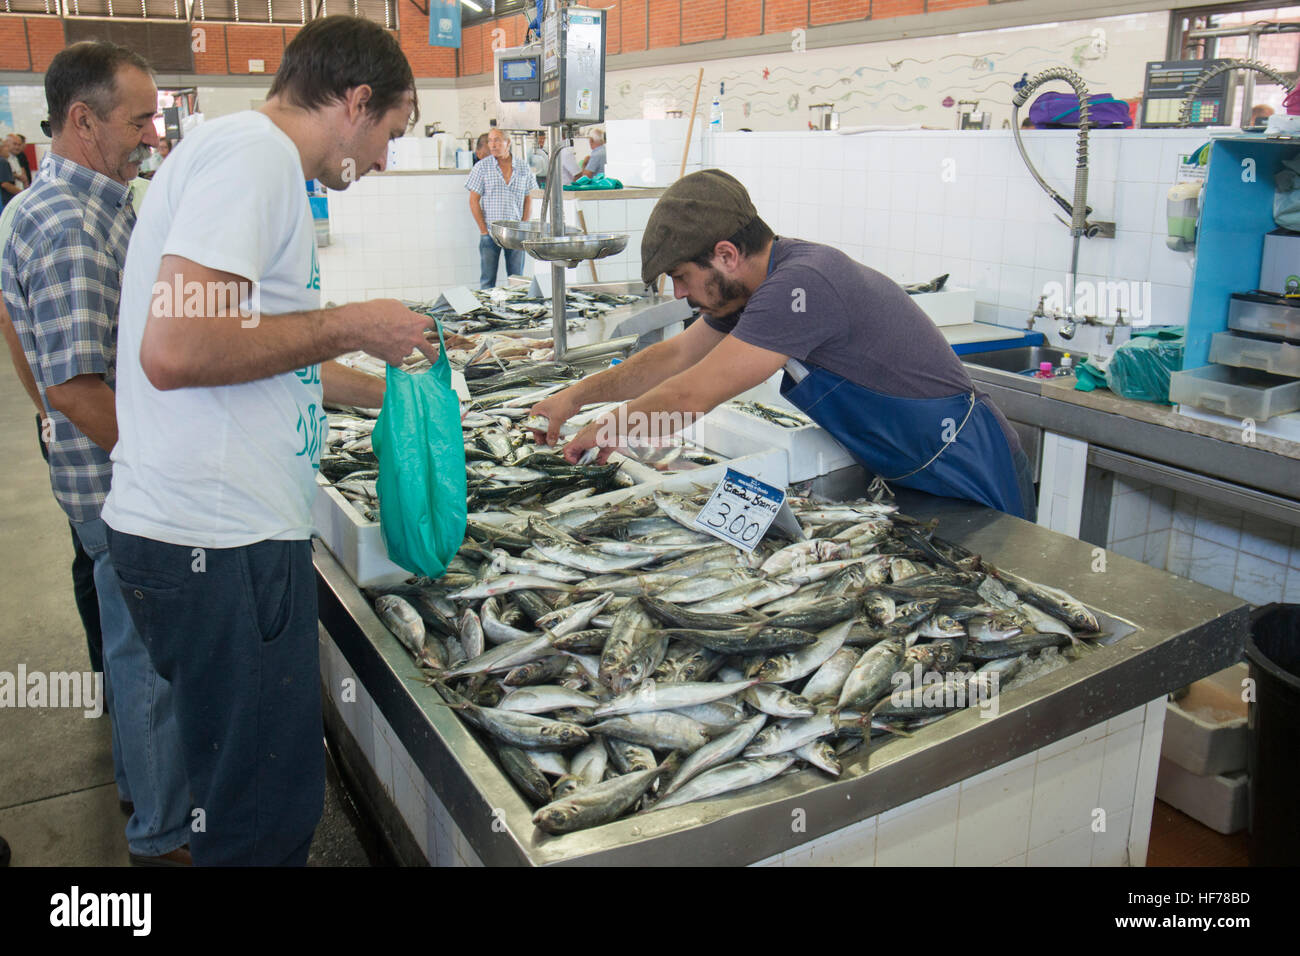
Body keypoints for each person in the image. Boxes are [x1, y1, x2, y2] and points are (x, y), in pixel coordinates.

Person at [101, 14, 435, 867]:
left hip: (201, 542)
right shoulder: (256, 159)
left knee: (242, 795)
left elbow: (248, 347)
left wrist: (392, 391)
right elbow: (178, 350)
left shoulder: (244, 156)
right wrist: (354, 322)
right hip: (218, 548)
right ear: (356, 102)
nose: (389, 159)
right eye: (391, 133)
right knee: (261, 820)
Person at [531, 169, 1037, 521]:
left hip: (967, 465)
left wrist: (606, 430)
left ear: (726, 254)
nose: (679, 294)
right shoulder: (751, 292)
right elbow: (677, 357)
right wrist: (575, 398)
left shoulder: (802, 286)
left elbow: (692, 395)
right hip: (911, 471)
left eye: (681, 277)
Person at [1, 41, 192, 866]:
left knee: (127, 649)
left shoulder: (98, 201)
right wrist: (165, 475)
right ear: (81, 121)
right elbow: (76, 390)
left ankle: (135, 787)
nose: (152, 134)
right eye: (139, 118)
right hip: (119, 486)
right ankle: (161, 837)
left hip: (106, 479)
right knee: (151, 664)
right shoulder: (69, 225)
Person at [0, 190, 104, 682]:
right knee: (94, 560)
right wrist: (45, 410)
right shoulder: (59, 223)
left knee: (91, 559)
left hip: (78, 427)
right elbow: (11, 320)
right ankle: (108, 677)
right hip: (82, 437)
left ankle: (111, 680)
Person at [466, 127, 537, 289]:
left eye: (497, 140)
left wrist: (524, 226)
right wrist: (484, 231)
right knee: (487, 281)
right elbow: (473, 201)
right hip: (490, 234)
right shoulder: (482, 168)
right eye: (490, 141)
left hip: (516, 234)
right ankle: (488, 312)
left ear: (508, 143)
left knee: (517, 281)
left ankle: (518, 311)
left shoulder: (523, 167)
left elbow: (529, 198)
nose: (492, 145)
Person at [0, 139, 20, 208]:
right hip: (5, 203)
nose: (8, 150)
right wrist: (23, 194)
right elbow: (5, 184)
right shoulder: (2, 162)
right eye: (6, 147)